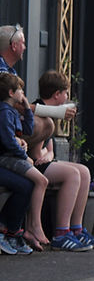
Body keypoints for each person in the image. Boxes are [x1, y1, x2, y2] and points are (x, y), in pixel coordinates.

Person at [25, 70, 94, 250]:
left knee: (84, 171)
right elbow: (34, 148)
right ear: (57, 94)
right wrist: (43, 154)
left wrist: (48, 154)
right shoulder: (37, 111)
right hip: (34, 165)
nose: (68, 97)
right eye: (66, 93)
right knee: (73, 174)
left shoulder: (48, 113)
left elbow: (50, 148)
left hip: (45, 161)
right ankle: (61, 234)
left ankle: (76, 229)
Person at [0, 71, 54, 250]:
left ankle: (11, 230)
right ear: (10, 93)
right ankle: (15, 230)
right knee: (38, 181)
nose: (24, 95)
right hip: (7, 159)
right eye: (20, 91)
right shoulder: (4, 112)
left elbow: (28, 131)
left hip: (13, 157)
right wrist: (25, 156)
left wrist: (25, 109)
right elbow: (8, 141)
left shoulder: (12, 112)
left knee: (28, 185)